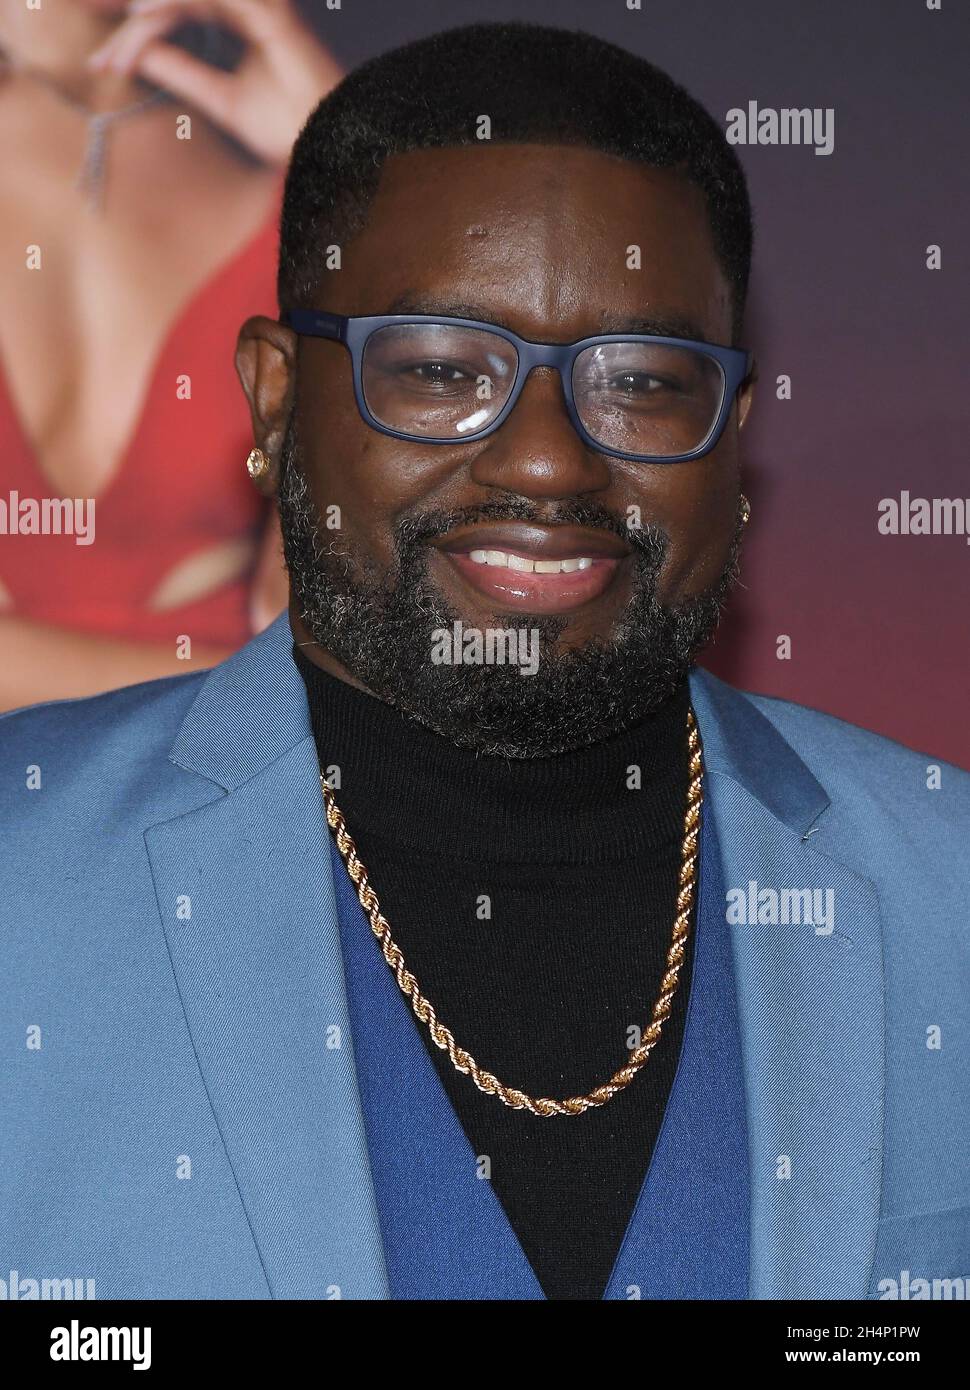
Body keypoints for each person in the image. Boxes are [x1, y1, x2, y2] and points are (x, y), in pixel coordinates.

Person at [1, 21, 968, 1302]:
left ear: (733, 434)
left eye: (639, 381)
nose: (548, 461)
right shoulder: (26, 879)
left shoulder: (940, 885)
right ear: (276, 395)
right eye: (444, 368)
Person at [0, 0, 342, 710]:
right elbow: (311, 694)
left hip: (227, 800)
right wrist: (256, 696)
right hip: (236, 734)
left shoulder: (302, 192)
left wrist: (355, 174)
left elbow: (332, 622)